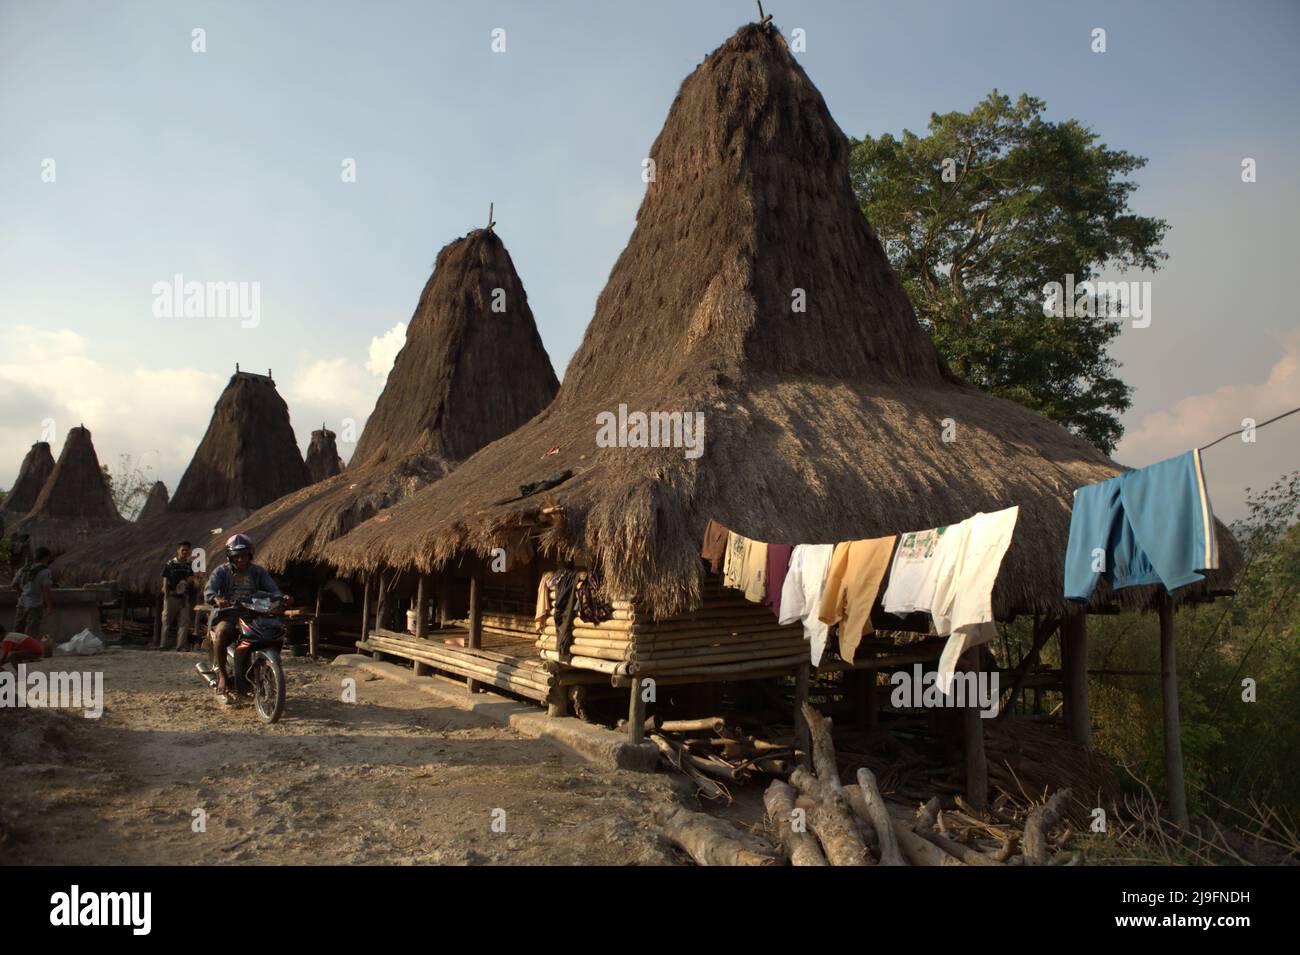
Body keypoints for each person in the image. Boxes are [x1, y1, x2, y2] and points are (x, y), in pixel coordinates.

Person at [203, 534, 281, 703]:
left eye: (244, 555)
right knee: (222, 633)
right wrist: (217, 599)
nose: (240, 559)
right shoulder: (221, 571)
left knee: (272, 632)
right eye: (236, 556)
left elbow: (274, 590)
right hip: (228, 615)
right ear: (230, 556)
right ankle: (222, 674)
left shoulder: (258, 572)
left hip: (253, 614)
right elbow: (209, 592)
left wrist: (282, 597)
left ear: (250, 555)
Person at [160, 541, 198, 651]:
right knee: (167, 621)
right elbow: (165, 579)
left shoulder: (188, 566)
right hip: (171, 596)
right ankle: (164, 645)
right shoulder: (171, 564)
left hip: (183, 597)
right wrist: (166, 595)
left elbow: (191, 579)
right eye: (183, 550)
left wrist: (191, 581)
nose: (185, 552)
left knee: (184, 622)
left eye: (187, 550)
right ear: (178, 551)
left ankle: (180, 646)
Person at [10, 546, 55, 638]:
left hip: (22, 602)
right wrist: (49, 606)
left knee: (18, 629)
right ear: (45, 557)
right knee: (32, 630)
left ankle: (13, 648)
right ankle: (28, 651)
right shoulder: (45, 571)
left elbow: (14, 584)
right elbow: (45, 590)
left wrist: (21, 594)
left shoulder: (24, 569)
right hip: (35, 604)